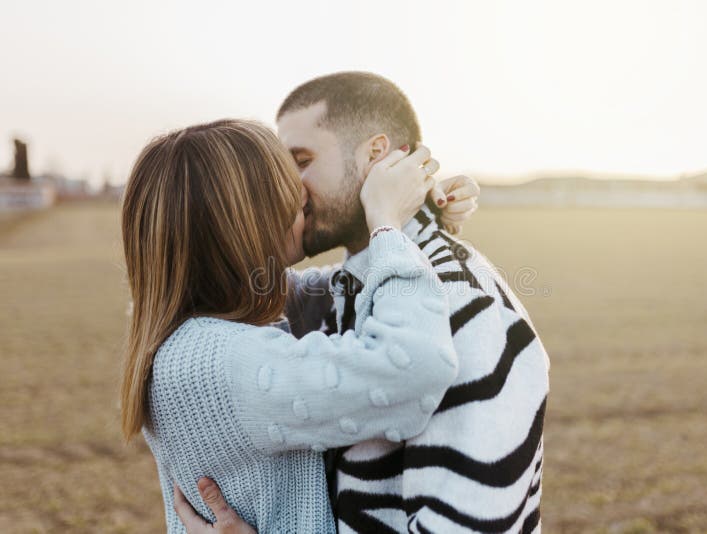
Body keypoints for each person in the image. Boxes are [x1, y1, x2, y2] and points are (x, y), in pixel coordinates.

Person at [178, 72, 550, 533]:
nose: (283, 188)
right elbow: (219, 287)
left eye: (301, 160)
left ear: (377, 156)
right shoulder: (348, 288)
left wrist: (400, 214)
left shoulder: (462, 308)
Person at [120, 118, 480, 532]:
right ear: (245, 225)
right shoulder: (222, 363)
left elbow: (343, 285)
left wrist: (417, 219)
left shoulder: (191, 329)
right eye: (289, 197)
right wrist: (385, 222)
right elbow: (414, 367)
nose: (304, 204)